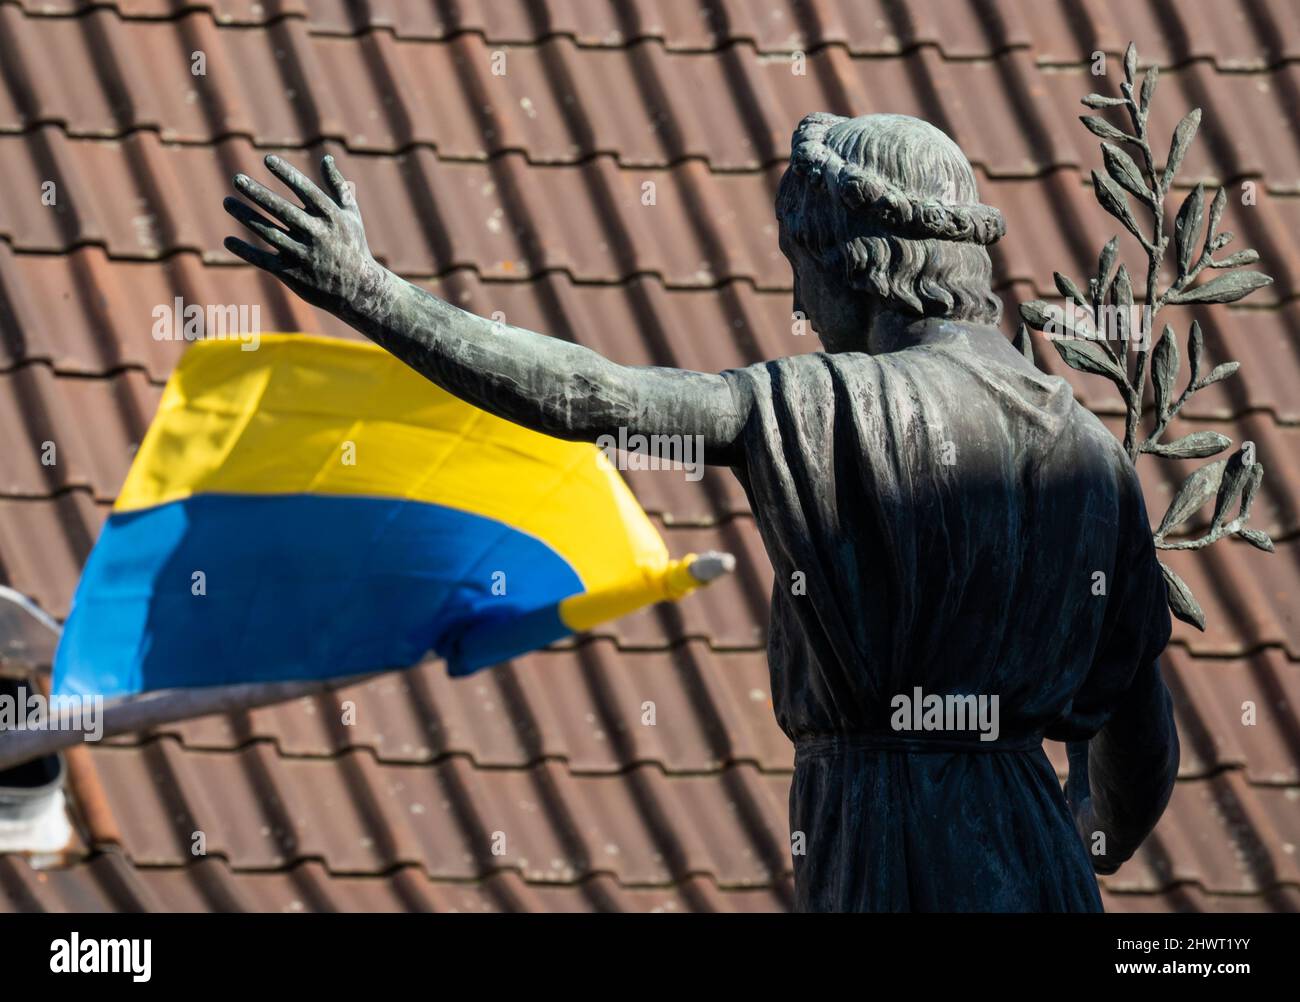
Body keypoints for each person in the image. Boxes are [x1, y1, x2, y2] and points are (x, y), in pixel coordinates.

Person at [223, 111, 1179, 912]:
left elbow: (589, 397)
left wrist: (371, 293)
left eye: (802, 263)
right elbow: (1141, 742)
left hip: (888, 846)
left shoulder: (821, 403)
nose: (798, 297)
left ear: (859, 260)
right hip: (1034, 860)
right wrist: (1077, 840)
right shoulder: (1091, 456)